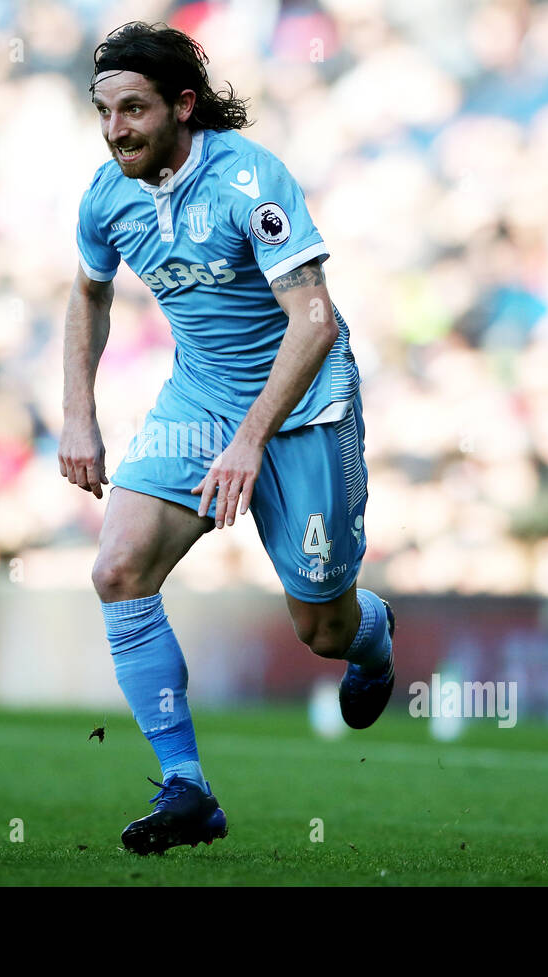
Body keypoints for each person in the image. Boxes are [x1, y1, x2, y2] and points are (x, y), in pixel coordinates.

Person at [58, 21, 396, 856]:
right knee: (118, 567)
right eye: (104, 112)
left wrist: (251, 439)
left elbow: (313, 322)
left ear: (182, 104)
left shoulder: (252, 179)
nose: (117, 130)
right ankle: (188, 787)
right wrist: (77, 413)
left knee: (320, 630)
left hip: (306, 404)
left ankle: (373, 633)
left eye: (133, 109)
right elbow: (90, 295)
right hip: (201, 401)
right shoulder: (108, 197)